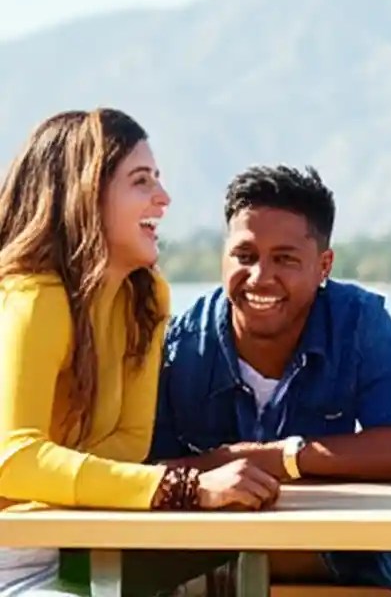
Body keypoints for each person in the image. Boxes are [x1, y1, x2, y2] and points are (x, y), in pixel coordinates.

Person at [0, 109, 278, 596]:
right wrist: (186, 488)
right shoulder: (34, 295)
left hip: (67, 543)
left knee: (239, 554)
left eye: (158, 179)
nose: (163, 198)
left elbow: (128, 444)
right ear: (86, 193)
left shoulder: (145, 299)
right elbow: (15, 459)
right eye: (140, 180)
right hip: (15, 554)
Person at [150, 165, 391, 590]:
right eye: (244, 256)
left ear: (324, 266)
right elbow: (139, 471)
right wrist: (212, 477)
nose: (260, 277)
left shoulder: (358, 323)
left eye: (284, 259)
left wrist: (276, 458)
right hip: (203, 574)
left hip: (340, 573)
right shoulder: (179, 343)